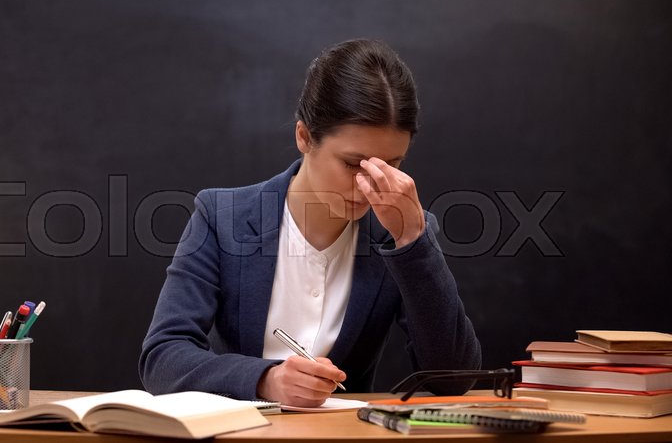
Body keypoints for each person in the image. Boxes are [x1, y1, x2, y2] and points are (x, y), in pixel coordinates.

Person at [139, 39, 481, 407]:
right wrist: (264, 379)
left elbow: (455, 378)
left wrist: (412, 240)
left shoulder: (402, 234)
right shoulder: (220, 217)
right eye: (353, 164)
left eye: (391, 165)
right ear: (304, 137)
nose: (370, 185)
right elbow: (162, 358)